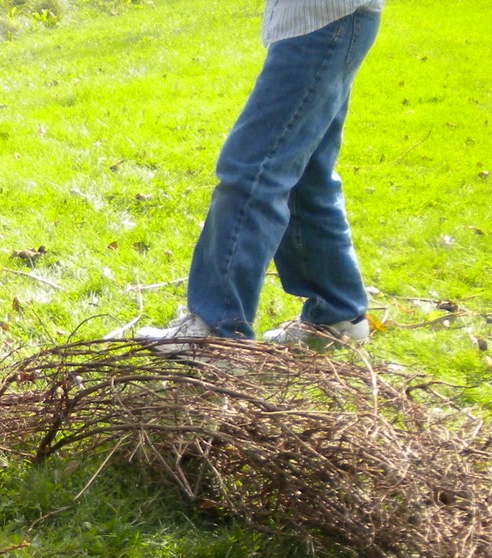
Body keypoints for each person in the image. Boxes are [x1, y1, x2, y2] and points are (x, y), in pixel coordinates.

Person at [137, 0, 383, 351]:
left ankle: (215, 332)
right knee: (304, 173)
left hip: (320, 19)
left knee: (252, 170)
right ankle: (336, 316)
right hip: (335, 18)